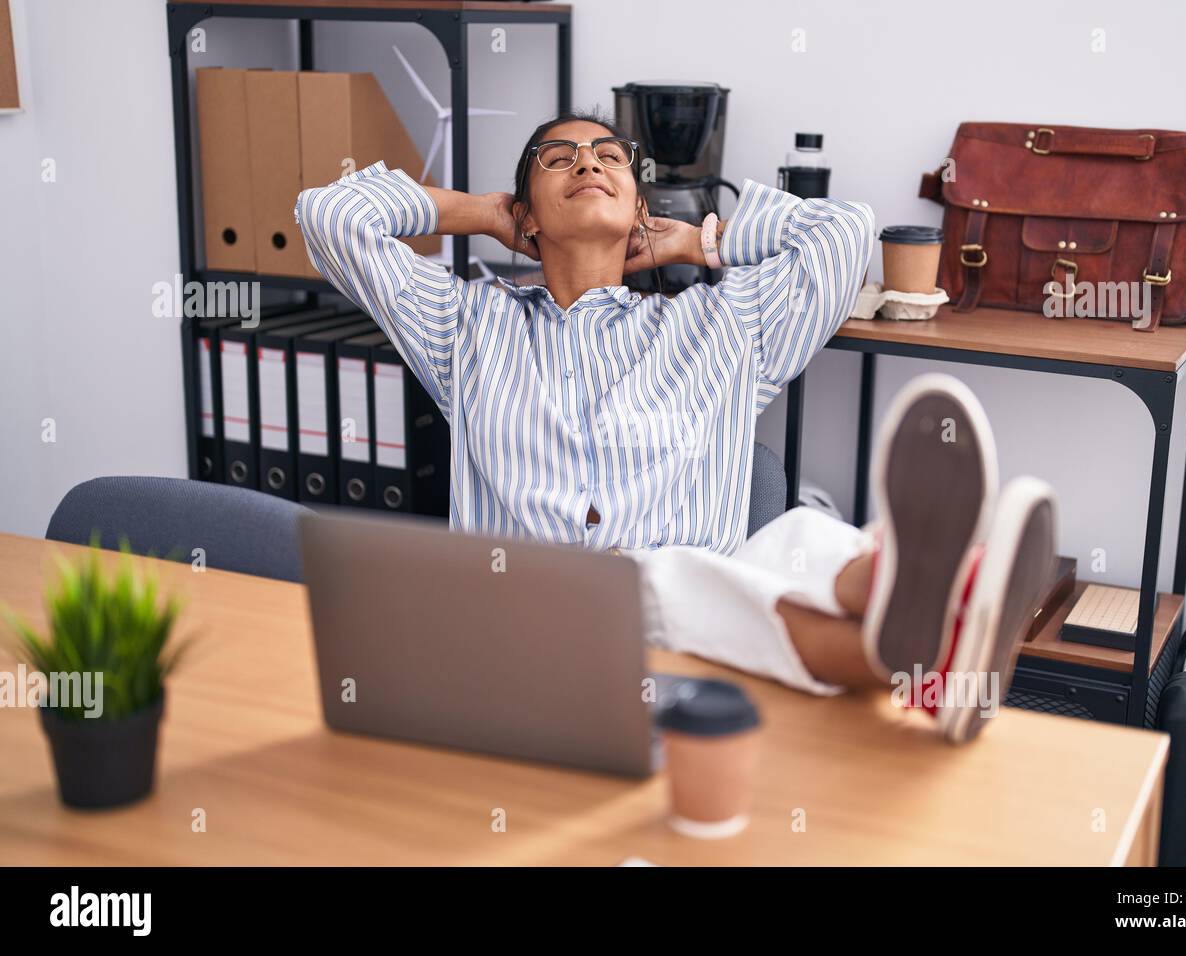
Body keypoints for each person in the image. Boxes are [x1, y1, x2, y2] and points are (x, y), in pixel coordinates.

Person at [295, 110, 1058, 743]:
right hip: (517, 649)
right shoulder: (464, 325)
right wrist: (484, 213)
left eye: (608, 159)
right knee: (661, 576)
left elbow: (844, 234)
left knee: (793, 538)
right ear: (526, 214)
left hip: (695, 668)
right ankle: (946, 607)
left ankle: (921, 627)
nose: (587, 164)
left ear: (639, 208)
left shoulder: (726, 323)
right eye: (557, 160)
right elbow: (328, 217)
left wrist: (703, 240)